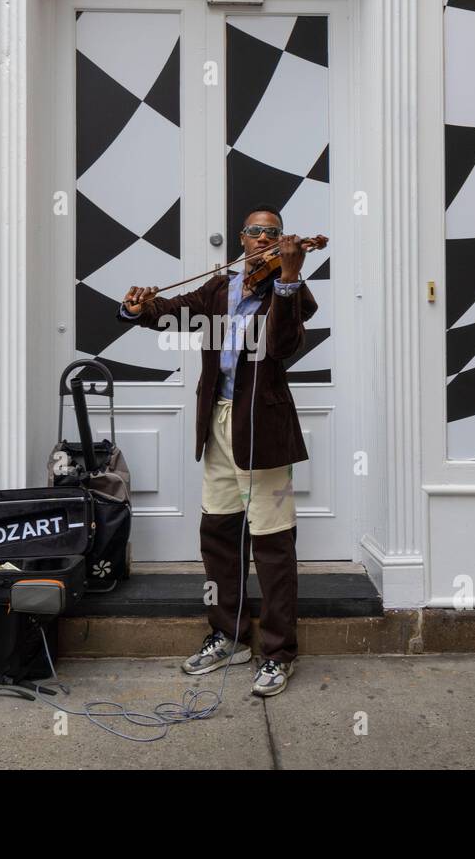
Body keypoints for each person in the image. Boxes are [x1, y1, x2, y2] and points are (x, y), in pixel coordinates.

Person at [116, 204, 318, 697]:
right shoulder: (220, 287)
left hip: (265, 432)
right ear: (242, 239)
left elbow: (285, 344)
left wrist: (288, 276)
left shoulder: (290, 291)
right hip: (220, 423)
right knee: (219, 535)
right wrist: (140, 307)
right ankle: (229, 636)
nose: (265, 239)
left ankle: (277, 652)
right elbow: (175, 312)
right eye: (256, 232)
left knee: (272, 544)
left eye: (274, 233)